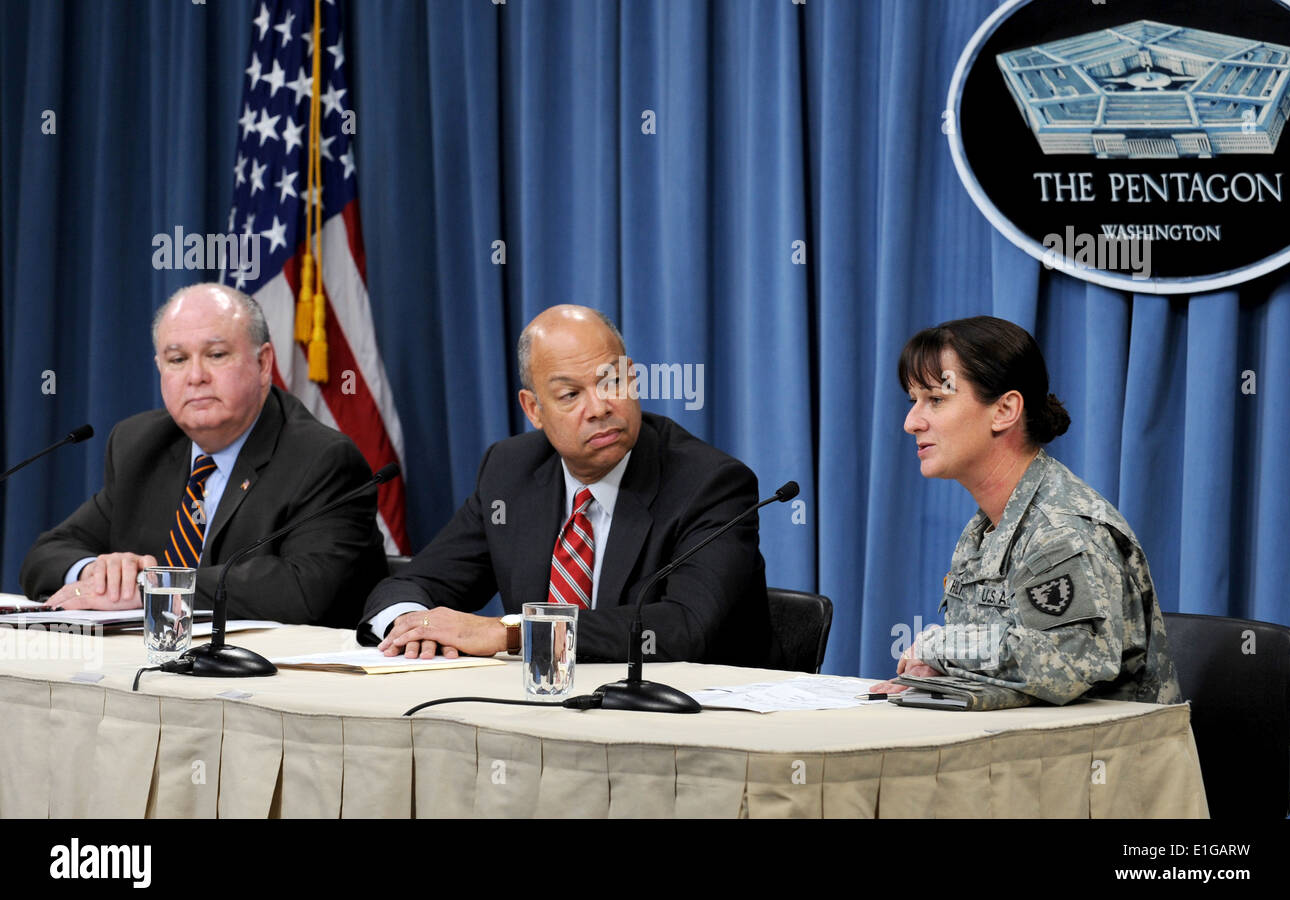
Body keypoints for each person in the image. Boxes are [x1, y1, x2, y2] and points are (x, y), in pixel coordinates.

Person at [360, 304, 771, 666]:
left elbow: (684, 627)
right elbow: (414, 582)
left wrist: (515, 633)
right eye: (571, 394)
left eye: (611, 382)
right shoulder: (510, 470)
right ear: (534, 409)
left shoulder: (709, 484)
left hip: (686, 721)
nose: (599, 408)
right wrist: (412, 627)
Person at [20, 283, 388, 628]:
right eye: (177, 359)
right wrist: (98, 576)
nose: (195, 376)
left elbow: (306, 590)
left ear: (263, 364)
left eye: (216, 355)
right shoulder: (139, 444)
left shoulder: (321, 459)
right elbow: (45, 554)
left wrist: (152, 589)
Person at [870, 316, 1181, 705]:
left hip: (1097, 759)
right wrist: (941, 670)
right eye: (913, 401)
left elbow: (1071, 658)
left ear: (1004, 411)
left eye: (935, 399)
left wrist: (941, 647)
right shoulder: (985, 528)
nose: (911, 422)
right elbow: (1012, 659)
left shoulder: (1062, 528)